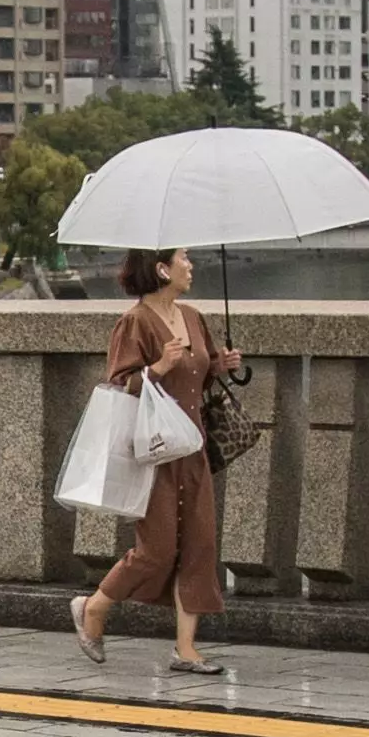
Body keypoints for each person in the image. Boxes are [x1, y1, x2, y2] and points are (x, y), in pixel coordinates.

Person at [70, 244, 238, 675]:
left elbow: (198, 371)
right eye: (184, 259)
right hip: (155, 453)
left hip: (193, 449)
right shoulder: (135, 322)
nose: (191, 266)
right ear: (162, 269)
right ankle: (93, 607)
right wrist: (157, 367)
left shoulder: (194, 317)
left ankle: (186, 650)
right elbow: (119, 384)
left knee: (199, 546)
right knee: (157, 550)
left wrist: (221, 364)